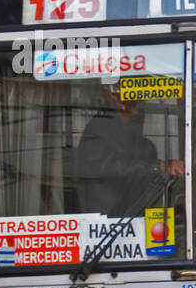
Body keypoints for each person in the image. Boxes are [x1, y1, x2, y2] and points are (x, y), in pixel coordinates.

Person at [73, 81, 184, 214]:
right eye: (132, 101)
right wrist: (158, 166)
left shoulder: (132, 131)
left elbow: (138, 169)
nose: (136, 109)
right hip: (108, 219)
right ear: (112, 98)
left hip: (130, 213)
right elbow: (110, 166)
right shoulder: (100, 127)